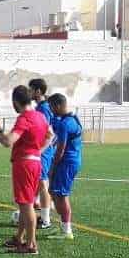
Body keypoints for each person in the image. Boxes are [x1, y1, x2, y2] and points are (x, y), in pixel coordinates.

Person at [0, 85, 53, 255]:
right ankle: (19, 238)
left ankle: (31, 245)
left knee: (26, 205)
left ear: (15, 101)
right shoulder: (40, 116)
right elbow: (50, 135)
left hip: (24, 164)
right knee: (25, 203)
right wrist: (38, 151)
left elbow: (8, 141)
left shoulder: (24, 118)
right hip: (35, 162)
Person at [48, 93, 83, 240]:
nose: (51, 110)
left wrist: (52, 167)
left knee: (61, 195)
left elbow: (60, 150)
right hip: (71, 161)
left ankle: (67, 231)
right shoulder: (71, 119)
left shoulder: (65, 124)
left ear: (57, 106)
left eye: (51, 107)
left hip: (66, 162)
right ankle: (63, 226)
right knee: (55, 193)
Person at [29, 78, 55, 229]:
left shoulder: (43, 108)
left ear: (38, 91)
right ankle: (40, 207)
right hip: (43, 149)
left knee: (42, 183)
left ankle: (45, 220)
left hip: (42, 150)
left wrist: (39, 150)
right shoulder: (41, 107)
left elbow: (47, 132)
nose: (29, 92)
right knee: (40, 182)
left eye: (31, 89)